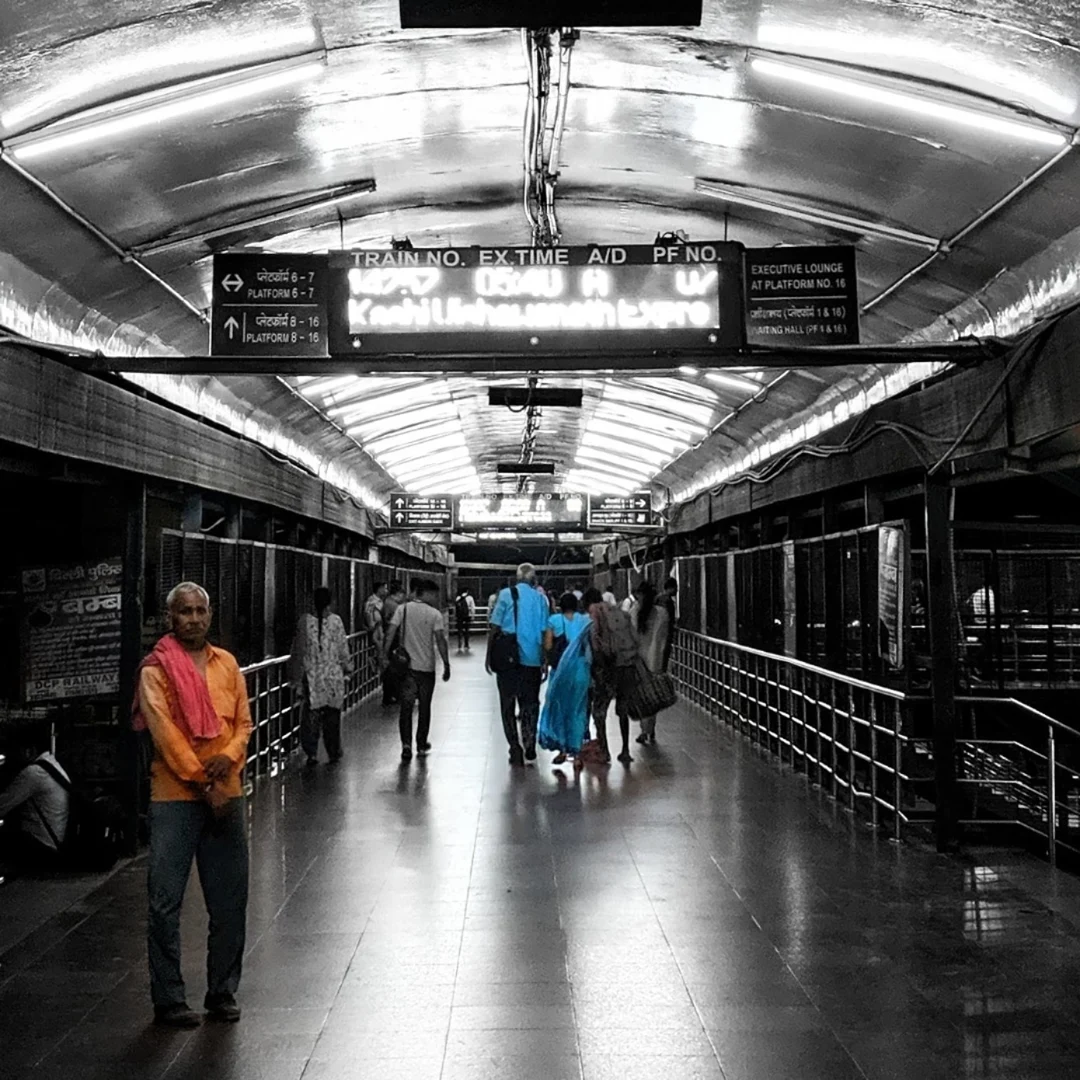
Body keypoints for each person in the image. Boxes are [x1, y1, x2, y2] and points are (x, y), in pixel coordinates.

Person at [134, 582, 253, 1028]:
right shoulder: (156, 671)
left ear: (210, 614)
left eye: (201, 610)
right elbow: (165, 736)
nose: (195, 619)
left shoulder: (228, 665)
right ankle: (169, 999)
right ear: (171, 618)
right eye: (185, 611)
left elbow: (243, 724)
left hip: (227, 791)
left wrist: (230, 756)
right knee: (165, 902)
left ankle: (222, 992)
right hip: (176, 798)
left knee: (230, 901)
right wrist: (205, 782)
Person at [487, 563, 550, 766]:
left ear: (517, 578)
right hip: (532, 659)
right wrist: (544, 659)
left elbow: (495, 627)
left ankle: (515, 747)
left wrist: (489, 654)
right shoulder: (541, 599)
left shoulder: (506, 595)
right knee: (530, 703)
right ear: (533, 579)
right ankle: (529, 742)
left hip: (508, 659)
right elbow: (544, 631)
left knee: (507, 704)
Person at [383, 579, 451, 762]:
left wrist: (384, 654)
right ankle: (421, 743)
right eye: (434, 594)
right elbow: (440, 640)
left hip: (406, 668)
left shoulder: (402, 609)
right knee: (424, 707)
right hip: (426, 668)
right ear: (425, 593)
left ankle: (406, 745)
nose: (436, 598)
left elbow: (391, 632)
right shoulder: (435, 614)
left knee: (406, 708)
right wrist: (446, 663)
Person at [291, 587, 353, 765]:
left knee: (311, 715)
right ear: (330, 603)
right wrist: (348, 668)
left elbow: (298, 651)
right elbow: (343, 649)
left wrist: (296, 679)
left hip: (312, 677)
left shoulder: (305, 622)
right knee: (332, 715)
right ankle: (333, 751)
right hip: (333, 677)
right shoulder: (336, 621)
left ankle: (311, 753)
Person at [587, 587, 639, 764]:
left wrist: (597, 668)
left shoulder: (595, 613)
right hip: (627, 666)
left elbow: (595, 643)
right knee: (623, 710)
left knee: (599, 711)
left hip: (609, 668)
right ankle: (625, 750)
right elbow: (635, 638)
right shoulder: (620, 613)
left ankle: (605, 750)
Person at [539, 593, 593, 764]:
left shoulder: (554, 620)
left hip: (561, 672)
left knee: (560, 709)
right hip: (581, 670)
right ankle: (577, 754)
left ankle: (562, 749)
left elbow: (548, 645)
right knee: (578, 711)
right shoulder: (585, 621)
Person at [0, 745, 70, 867]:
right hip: (55, 839)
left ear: (29, 750)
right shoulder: (52, 765)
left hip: (41, 842)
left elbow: (3, 804)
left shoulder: (34, 773)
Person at [630, 582, 671, 745]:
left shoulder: (634, 612)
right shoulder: (662, 613)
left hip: (638, 660)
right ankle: (649, 729)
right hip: (655, 660)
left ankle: (644, 730)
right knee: (653, 697)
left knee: (641, 697)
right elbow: (663, 640)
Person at [380, 582, 406, 706]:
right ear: (398, 594)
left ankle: (389, 694)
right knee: (394, 668)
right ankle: (393, 694)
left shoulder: (387, 602)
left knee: (390, 668)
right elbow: (393, 627)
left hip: (389, 638)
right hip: (393, 639)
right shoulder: (394, 606)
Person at [660, 577, 679, 670]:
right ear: (671, 588)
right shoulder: (668, 602)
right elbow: (668, 618)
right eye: (676, 588)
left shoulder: (658, 599)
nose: (677, 590)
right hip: (666, 635)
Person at [454, 588, 476, 652]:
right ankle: (466, 644)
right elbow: (472, 607)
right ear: (467, 591)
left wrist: (455, 616)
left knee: (460, 630)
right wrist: (473, 615)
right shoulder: (470, 598)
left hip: (459, 617)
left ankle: (459, 643)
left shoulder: (458, 598)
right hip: (467, 616)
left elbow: (456, 608)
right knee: (467, 630)